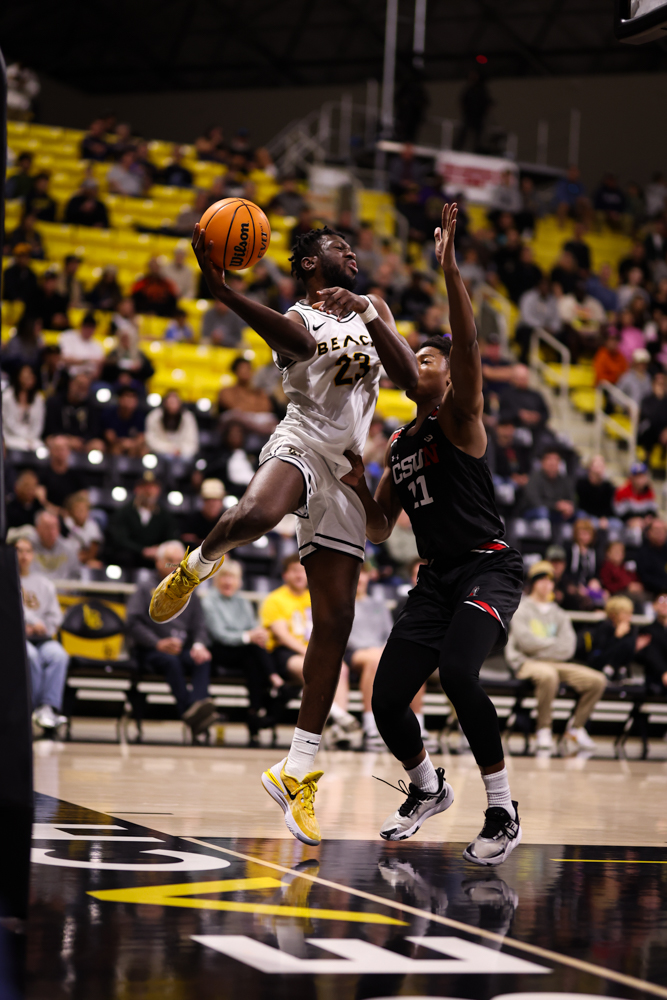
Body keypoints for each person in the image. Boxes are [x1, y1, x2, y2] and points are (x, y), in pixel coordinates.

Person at [150, 221, 418, 848]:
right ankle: (198, 563)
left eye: (353, 245)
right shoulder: (298, 314)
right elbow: (297, 342)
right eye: (337, 248)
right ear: (306, 264)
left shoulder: (371, 309)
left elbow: (407, 378)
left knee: (335, 625)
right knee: (255, 516)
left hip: (347, 467)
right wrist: (223, 292)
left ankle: (297, 770)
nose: (351, 251)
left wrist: (372, 312)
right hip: (302, 441)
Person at [342, 203, 524, 865]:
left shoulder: (459, 418)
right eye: (414, 356)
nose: (420, 362)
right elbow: (376, 525)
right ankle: (426, 789)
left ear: (446, 378)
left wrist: (448, 269)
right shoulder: (398, 441)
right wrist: (353, 481)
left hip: (487, 566)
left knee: (456, 672)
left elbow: (467, 342)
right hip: (435, 578)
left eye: (428, 357)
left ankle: (501, 808)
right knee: (387, 698)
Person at [505, 561, 606, 753]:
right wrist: (552, 645)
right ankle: (544, 728)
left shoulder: (559, 613)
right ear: (533, 583)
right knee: (548, 675)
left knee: (597, 680)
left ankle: (576, 728)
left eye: (550, 580)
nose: (546, 584)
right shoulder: (522, 608)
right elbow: (526, 643)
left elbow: (568, 647)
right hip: (526, 662)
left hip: (556, 663)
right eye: (541, 580)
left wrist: (542, 647)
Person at [126, 541, 216, 737]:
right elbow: (133, 623)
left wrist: (199, 645)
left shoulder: (190, 587)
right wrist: (157, 643)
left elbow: (199, 624)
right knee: (171, 661)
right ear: (158, 562)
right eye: (169, 561)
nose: (175, 566)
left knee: (202, 659)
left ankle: (196, 706)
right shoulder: (144, 588)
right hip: (151, 649)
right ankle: (189, 711)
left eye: (179, 561)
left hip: (180, 647)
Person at [200, 560, 274, 744]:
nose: (228, 581)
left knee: (253, 661)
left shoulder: (242, 601)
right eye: (224, 576)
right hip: (218, 651)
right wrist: (249, 636)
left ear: (239, 581)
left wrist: (257, 634)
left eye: (232, 577)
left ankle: (254, 712)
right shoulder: (209, 600)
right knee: (253, 652)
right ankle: (274, 683)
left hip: (244, 652)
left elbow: (252, 628)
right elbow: (219, 635)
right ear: (217, 580)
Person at [15, 536, 69, 732]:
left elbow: (55, 616)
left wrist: (44, 627)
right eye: (19, 551)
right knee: (30, 656)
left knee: (58, 655)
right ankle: (34, 707)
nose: (23, 556)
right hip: (17, 638)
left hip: (42, 637)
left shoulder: (44, 583)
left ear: (33, 555)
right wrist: (27, 624)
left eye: (27, 551)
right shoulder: (6, 580)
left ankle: (48, 707)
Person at [341, 563, 393, 750]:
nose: (360, 578)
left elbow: (389, 634)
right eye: (356, 574)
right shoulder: (342, 602)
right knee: (373, 660)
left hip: (379, 652)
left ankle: (416, 726)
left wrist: (382, 650)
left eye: (363, 574)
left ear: (369, 576)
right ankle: (370, 724)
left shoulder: (379, 604)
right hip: (354, 653)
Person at [106, 471, 179, 569]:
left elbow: (171, 539)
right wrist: (142, 551)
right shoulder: (124, 512)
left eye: (153, 486)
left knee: (173, 561)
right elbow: (120, 539)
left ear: (159, 490)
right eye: (145, 486)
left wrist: (159, 550)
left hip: (156, 559)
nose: (148, 491)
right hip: (130, 560)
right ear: (137, 489)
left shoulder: (165, 515)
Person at [587, 595, 651, 681]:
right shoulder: (603, 627)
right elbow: (598, 657)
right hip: (600, 670)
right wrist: (616, 637)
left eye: (630, 613)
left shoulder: (631, 629)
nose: (629, 616)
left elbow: (630, 657)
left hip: (621, 672)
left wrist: (635, 648)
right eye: (625, 613)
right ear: (613, 614)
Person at [43, 374, 103, 451]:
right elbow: (51, 428)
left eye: (85, 387)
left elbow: (94, 430)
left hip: (83, 441)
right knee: (59, 442)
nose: (81, 389)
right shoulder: (55, 402)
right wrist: (69, 439)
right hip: (61, 437)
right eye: (79, 385)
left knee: (97, 445)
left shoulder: (92, 405)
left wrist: (81, 440)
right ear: (71, 383)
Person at [522, 449, 576, 525]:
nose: (552, 463)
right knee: (542, 512)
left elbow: (572, 499)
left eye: (555, 461)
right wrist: (556, 505)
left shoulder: (564, 480)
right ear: (542, 463)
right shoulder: (534, 478)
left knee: (580, 515)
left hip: (557, 513)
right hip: (533, 512)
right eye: (549, 460)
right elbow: (534, 502)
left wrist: (569, 507)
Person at [515, 278, 560, 364]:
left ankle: (557, 364)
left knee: (562, 336)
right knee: (528, 334)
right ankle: (523, 361)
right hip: (526, 328)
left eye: (547, 286)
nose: (545, 288)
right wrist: (541, 326)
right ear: (538, 286)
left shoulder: (552, 300)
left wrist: (553, 328)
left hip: (545, 332)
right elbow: (526, 317)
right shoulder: (528, 297)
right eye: (543, 285)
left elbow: (556, 320)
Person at [144, 390, 199, 459]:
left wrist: (180, 450)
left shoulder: (188, 417)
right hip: (160, 453)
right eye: (170, 402)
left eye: (175, 402)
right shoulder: (154, 416)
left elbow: (192, 441)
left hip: (183, 454)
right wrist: (169, 449)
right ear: (164, 403)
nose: (172, 405)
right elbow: (151, 440)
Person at [2, 364, 45, 451]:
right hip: (11, 437)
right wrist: (24, 437)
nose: (28, 378)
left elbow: (38, 423)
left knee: (40, 448)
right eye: (25, 375)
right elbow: (9, 422)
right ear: (18, 376)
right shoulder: (7, 396)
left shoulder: (38, 398)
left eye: (30, 375)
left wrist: (30, 437)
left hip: (32, 439)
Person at [40, 436, 87, 512]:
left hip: (71, 514)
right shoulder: (43, 473)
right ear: (51, 451)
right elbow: (41, 499)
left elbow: (83, 496)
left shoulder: (76, 474)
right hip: (50, 513)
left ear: (69, 451)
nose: (60, 452)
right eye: (57, 449)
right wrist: (57, 511)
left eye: (63, 449)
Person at [31, 511, 82, 581]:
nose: (51, 532)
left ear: (59, 529)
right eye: (47, 527)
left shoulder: (69, 548)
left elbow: (76, 576)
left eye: (54, 527)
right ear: (37, 529)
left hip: (63, 591)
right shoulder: (28, 548)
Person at [101, 386, 146, 456]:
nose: (131, 400)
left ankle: (133, 467)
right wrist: (123, 442)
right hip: (115, 445)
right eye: (128, 396)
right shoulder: (110, 413)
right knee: (116, 448)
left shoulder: (140, 415)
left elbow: (141, 437)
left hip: (132, 445)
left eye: (133, 397)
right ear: (120, 399)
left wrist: (131, 443)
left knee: (142, 450)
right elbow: (109, 436)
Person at [636, 594, 667, 694]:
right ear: (654, 605)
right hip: (655, 678)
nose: (664, 604)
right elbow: (651, 655)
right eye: (661, 601)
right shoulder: (648, 630)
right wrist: (663, 672)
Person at [181, 479, 226, 546]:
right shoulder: (191, 520)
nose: (212, 504)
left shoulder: (226, 522)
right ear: (202, 501)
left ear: (221, 502)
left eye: (216, 500)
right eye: (208, 500)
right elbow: (187, 542)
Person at [59, 313, 105, 379]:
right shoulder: (68, 336)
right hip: (69, 375)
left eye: (91, 328)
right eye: (86, 327)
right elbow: (64, 358)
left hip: (89, 377)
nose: (88, 330)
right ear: (81, 326)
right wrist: (87, 361)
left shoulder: (97, 345)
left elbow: (99, 367)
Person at [576, 455, 616, 525]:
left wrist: (604, 518)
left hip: (602, 518)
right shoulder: (581, 483)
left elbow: (610, 508)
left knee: (616, 524)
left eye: (600, 466)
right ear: (590, 467)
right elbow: (581, 504)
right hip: (586, 515)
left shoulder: (609, 486)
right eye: (596, 466)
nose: (598, 469)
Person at [636, 519, 667, 596]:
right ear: (649, 532)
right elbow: (645, 578)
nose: (660, 533)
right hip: (653, 592)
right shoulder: (642, 553)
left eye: (663, 530)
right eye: (656, 530)